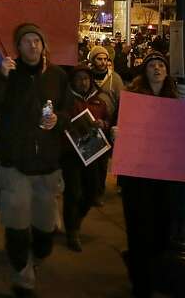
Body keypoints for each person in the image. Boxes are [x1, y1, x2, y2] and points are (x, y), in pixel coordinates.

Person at [0, 23, 71, 298]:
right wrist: (0, 78)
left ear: (44, 46)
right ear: (18, 47)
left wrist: (59, 120)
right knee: (17, 226)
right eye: (27, 41)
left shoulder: (57, 76)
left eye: (37, 41)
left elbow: (69, 111)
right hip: (14, 164)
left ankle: (36, 258)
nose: (33, 45)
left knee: (46, 230)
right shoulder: (8, 74)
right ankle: (23, 273)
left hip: (47, 165)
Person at [116, 52, 185, 298]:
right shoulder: (133, 96)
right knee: (138, 232)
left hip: (166, 179)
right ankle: (141, 284)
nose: (157, 69)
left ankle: (149, 274)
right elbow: (119, 125)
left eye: (161, 65)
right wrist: (118, 132)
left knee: (160, 233)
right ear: (144, 71)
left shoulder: (180, 96)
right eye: (152, 66)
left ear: (167, 71)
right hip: (137, 178)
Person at [61, 63, 116, 251]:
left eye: (85, 79)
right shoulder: (67, 100)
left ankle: (76, 219)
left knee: (92, 191)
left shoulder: (100, 101)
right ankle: (72, 230)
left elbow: (109, 120)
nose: (82, 83)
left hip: (92, 152)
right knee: (73, 191)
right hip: (70, 152)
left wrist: (103, 124)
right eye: (78, 79)